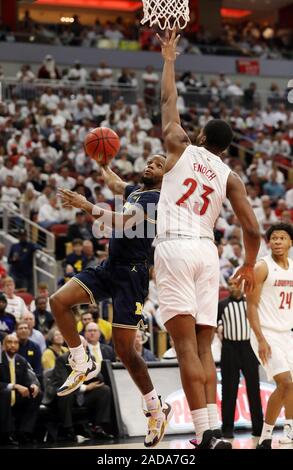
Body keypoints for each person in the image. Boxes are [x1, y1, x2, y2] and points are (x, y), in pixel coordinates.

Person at [154, 30, 261, 450]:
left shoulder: (180, 146)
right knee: (202, 346)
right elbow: (252, 229)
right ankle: (214, 428)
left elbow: (167, 104)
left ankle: (203, 433)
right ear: (227, 148)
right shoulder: (231, 176)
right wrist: (249, 263)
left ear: (200, 137)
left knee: (183, 347)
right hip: (207, 250)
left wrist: (168, 58)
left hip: (176, 246)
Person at [50, 155, 173, 447]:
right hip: (110, 266)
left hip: (132, 275)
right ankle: (81, 361)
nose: (150, 165)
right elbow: (118, 184)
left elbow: (122, 220)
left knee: (125, 351)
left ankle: (155, 408)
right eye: (149, 162)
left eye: (157, 165)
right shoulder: (139, 191)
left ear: (166, 176)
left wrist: (86, 205)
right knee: (58, 301)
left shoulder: (156, 198)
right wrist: (104, 165)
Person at [246, 223, 293, 449]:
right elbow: (251, 306)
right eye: (274, 238)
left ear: (290, 242)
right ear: (269, 242)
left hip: (286, 333)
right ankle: (265, 437)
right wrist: (261, 339)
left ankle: (290, 432)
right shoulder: (262, 267)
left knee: (292, 385)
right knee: (284, 382)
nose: (277, 242)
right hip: (265, 333)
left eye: (282, 238)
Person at [217, 278, 263, 438]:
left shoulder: (250, 304)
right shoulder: (221, 305)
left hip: (248, 348)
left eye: (235, 284)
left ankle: (259, 428)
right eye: (230, 284)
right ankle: (227, 429)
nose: (232, 287)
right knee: (228, 390)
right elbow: (216, 326)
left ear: (242, 286)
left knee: (253, 389)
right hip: (229, 349)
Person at [0, 334, 42, 445]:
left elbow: (28, 378)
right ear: (3, 345)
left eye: (15, 342)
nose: (13, 345)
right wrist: (14, 386)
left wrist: (33, 385)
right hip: (3, 394)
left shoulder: (21, 360)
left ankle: (24, 431)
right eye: (9, 342)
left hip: (16, 396)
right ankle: (6, 434)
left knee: (36, 394)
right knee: (5, 393)